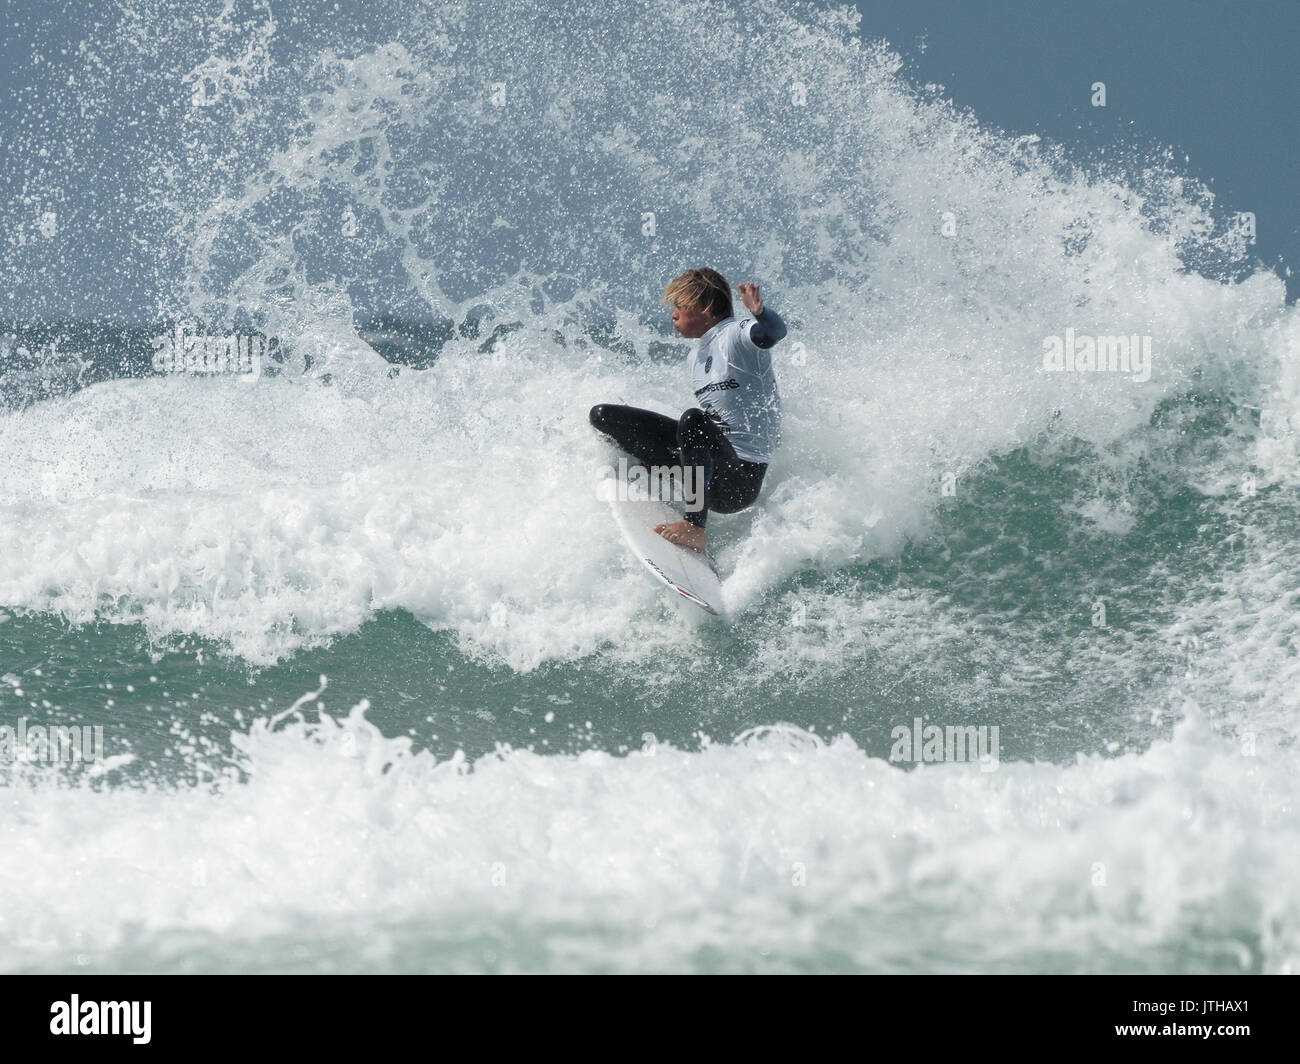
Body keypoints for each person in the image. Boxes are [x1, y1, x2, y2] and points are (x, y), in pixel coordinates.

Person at [589, 267, 786, 553]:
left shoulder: (737, 336)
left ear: (704, 308)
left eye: (680, 306)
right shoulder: (696, 356)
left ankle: (695, 527)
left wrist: (760, 313)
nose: (673, 314)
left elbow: (772, 333)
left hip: (738, 482)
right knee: (603, 416)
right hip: (709, 468)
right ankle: (649, 474)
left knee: (693, 420)